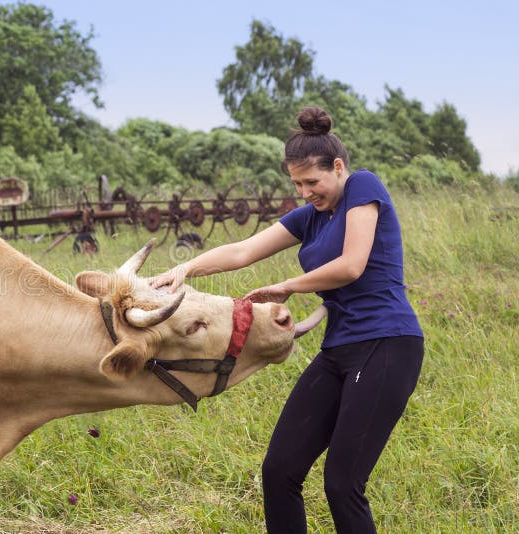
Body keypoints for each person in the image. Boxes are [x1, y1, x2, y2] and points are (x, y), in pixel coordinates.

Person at [149, 106, 423, 533]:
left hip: (387, 343)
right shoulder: (310, 217)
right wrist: (182, 270)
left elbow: (352, 265)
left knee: (342, 483)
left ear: (338, 167)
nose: (305, 192)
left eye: (312, 181)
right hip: (339, 348)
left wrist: (290, 285)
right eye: (297, 184)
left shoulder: (363, 186)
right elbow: (243, 251)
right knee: (279, 470)